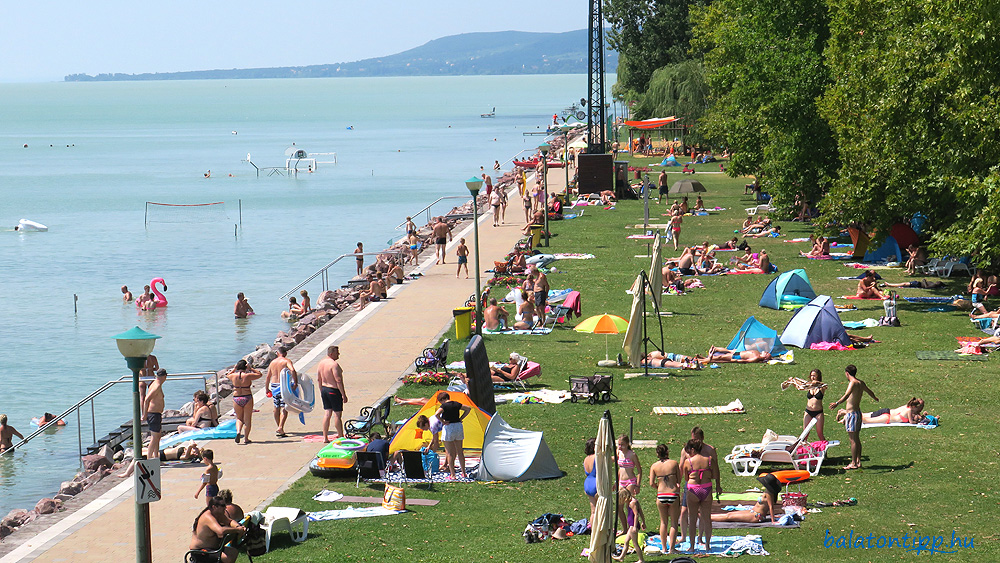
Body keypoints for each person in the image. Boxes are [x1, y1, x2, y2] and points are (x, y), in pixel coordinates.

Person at [829, 365, 879, 470]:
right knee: (856, 439)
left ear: (847, 373)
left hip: (852, 414)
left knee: (853, 440)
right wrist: (875, 398)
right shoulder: (861, 383)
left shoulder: (853, 383)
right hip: (857, 413)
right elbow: (870, 391)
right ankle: (858, 461)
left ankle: (853, 463)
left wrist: (837, 403)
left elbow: (847, 395)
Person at [682, 437, 717, 552]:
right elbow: (714, 475)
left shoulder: (689, 461)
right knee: (707, 518)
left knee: (692, 519)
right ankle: (707, 545)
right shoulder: (709, 460)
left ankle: (692, 546)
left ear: (692, 449)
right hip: (706, 489)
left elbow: (686, 478)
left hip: (693, 490)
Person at [189, 496, 245, 563]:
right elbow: (220, 531)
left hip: (213, 549)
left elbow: (230, 521)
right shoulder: (208, 517)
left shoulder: (219, 514)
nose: (226, 507)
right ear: (214, 507)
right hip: (200, 551)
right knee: (227, 558)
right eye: (223, 505)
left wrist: (237, 526)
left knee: (233, 552)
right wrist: (237, 530)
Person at [649, 444, 682, 555]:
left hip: (661, 494)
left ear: (657, 454)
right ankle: (672, 548)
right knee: (673, 523)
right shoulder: (674, 463)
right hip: (673, 493)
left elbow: (651, 483)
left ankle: (664, 548)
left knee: (663, 522)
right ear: (667, 452)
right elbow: (679, 479)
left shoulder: (654, 466)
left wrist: (658, 487)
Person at [435, 392, 472, 479]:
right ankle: (463, 472)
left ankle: (452, 474)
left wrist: (442, 421)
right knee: (460, 451)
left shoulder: (444, 406)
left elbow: (436, 414)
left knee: (450, 453)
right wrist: (461, 418)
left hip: (449, 427)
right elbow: (468, 408)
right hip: (458, 426)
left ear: (442, 399)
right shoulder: (456, 404)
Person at [712, 475, 777, 524]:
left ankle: (706, 518)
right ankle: (706, 516)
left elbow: (771, 507)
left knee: (729, 517)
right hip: (752, 512)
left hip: (756, 516)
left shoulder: (769, 494)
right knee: (729, 514)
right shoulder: (767, 491)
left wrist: (773, 520)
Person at [316, 345, 349, 443]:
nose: (339, 354)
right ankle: (340, 436)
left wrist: (321, 390)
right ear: (331, 354)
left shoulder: (321, 363)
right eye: (337, 352)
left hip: (324, 389)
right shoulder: (334, 364)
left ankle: (325, 437)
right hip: (333, 390)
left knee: (327, 413)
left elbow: (318, 379)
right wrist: (343, 394)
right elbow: (338, 380)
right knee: (337, 415)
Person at [226, 360, 262, 444]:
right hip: (247, 397)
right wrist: (251, 368)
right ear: (245, 367)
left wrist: (234, 369)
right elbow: (259, 374)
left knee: (239, 418)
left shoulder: (233, 376)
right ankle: (246, 438)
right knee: (247, 419)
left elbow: (227, 375)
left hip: (236, 398)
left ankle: (238, 432)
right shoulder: (248, 375)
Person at [266, 347, 297, 438]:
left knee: (276, 406)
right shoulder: (286, 361)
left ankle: (279, 427)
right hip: (283, 385)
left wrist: (266, 388)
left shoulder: (272, 362)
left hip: (274, 385)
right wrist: (295, 382)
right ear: (285, 353)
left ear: (277, 353)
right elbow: (292, 370)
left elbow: (268, 376)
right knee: (284, 406)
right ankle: (280, 427)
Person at [614, 485, 646, 563]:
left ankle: (641, 560)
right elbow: (641, 511)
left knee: (635, 543)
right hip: (631, 525)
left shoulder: (632, 503)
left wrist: (635, 527)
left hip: (633, 526)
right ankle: (621, 557)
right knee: (626, 541)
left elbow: (636, 514)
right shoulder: (633, 501)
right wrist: (643, 522)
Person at [838, 397, 924, 425]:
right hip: (887, 416)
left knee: (866, 416)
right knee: (866, 419)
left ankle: (845, 413)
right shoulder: (909, 410)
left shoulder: (908, 407)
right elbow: (912, 422)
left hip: (887, 414)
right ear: (914, 406)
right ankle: (847, 416)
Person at [142, 369, 167, 459]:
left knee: (158, 436)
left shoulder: (155, 384)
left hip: (156, 414)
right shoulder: (156, 386)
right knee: (154, 437)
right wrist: (144, 415)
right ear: (164, 377)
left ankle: (156, 457)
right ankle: (149, 458)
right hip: (153, 414)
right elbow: (147, 399)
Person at [802, 369, 826, 441]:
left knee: (820, 433)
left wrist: (817, 383)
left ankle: (824, 451)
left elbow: (825, 385)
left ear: (818, 376)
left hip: (818, 413)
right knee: (804, 434)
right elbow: (799, 386)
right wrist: (792, 380)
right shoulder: (809, 386)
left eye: (814, 376)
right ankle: (803, 450)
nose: (812, 377)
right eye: (811, 375)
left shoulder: (822, 387)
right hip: (808, 412)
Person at [582, 438, 598, 528]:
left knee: (593, 510)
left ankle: (593, 530)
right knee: (600, 509)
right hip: (596, 484)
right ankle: (599, 531)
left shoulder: (586, 459)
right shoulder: (597, 457)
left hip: (588, 483)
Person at [706, 346, 772, 363]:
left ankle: (711, 358)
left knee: (722, 356)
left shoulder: (757, 357)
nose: (766, 352)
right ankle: (715, 349)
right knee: (729, 351)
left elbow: (747, 361)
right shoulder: (758, 352)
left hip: (738, 356)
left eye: (766, 354)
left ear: (765, 358)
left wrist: (736, 361)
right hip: (740, 352)